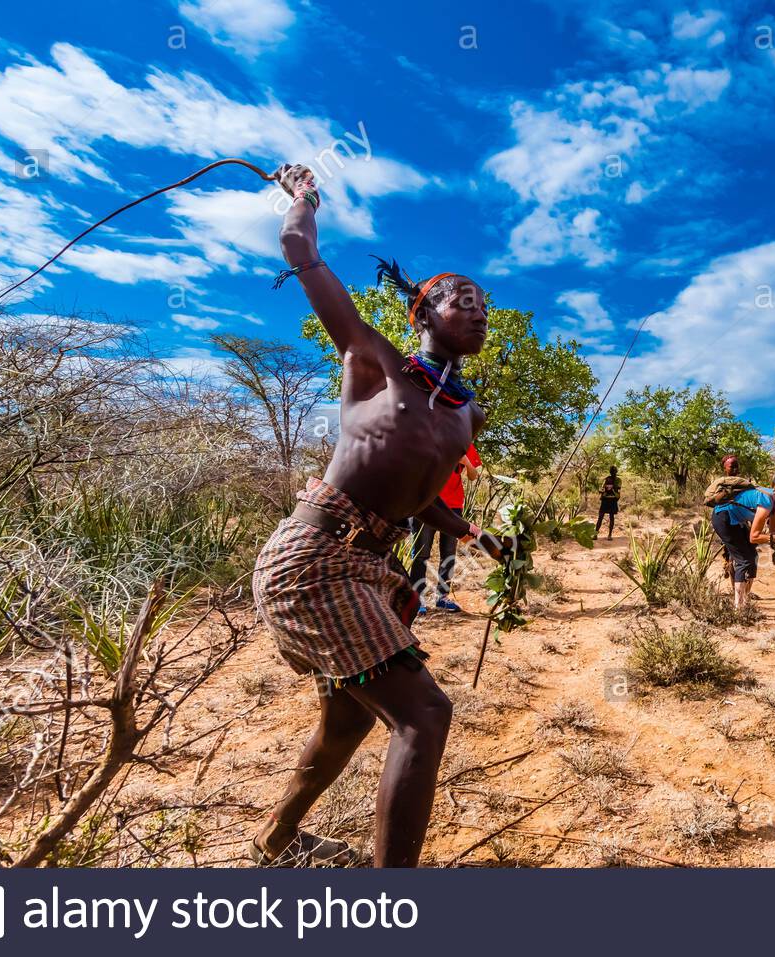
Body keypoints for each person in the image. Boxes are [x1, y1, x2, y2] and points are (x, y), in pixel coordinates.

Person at [251, 165, 507, 868]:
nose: (478, 308)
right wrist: (305, 196)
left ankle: (274, 841)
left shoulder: (466, 413)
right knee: (424, 714)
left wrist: (476, 534)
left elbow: (418, 492)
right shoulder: (372, 361)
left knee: (346, 722)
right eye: (460, 297)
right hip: (312, 558)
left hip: (370, 569)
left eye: (484, 302)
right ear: (421, 313)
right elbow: (298, 248)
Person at [409, 444, 482, 614]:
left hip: (454, 507)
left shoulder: (465, 444)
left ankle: (442, 598)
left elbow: (473, 476)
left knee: (448, 553)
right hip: (425, 506)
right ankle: (416, 599)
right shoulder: (431, 438)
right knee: (421, 554)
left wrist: (467, 463)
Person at [706, 454, 772, 610]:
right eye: (731, 466)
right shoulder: (721, 485)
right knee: (738, 560)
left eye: (736, 465)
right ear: (725, 468)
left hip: (740, 522)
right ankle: (738, 604)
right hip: (727, 521)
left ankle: (745, 597)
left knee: (751, 556)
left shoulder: (744, 484)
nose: (735, 468)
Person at [595, 466, 622, 539]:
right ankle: (595, 534)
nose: (612, 473)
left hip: (613, 500)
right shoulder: (607, 479)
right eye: (611, 471)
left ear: (616, 472)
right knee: (600, 517)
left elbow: (618, 491)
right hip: (605, 500)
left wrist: (612, 489)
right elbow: (602, 488)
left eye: (614, 471)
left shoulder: (618, 480)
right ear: (610, 472)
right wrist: (602, 491)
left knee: (611, 517)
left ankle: (609, 535)